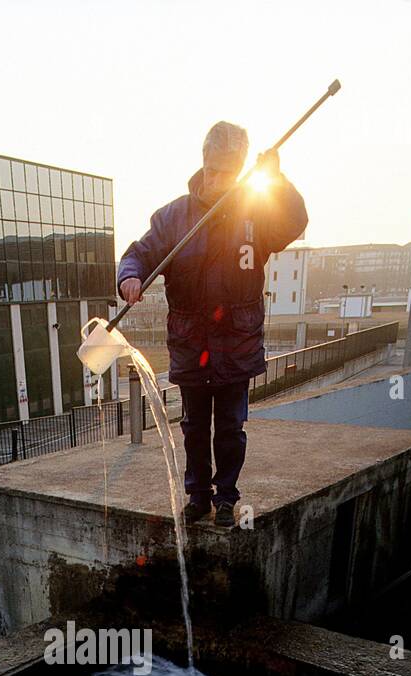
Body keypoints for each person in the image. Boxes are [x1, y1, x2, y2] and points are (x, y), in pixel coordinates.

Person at [117, 122, 308, 529]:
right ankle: (198, 496)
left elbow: (294, 221)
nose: (216, 178)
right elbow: (140, 251)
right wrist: (129, 277)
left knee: (230, 428)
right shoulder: (173, 218)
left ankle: (226, 498)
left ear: (239, 170)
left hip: (236, 344)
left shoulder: (257, 212)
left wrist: (277, 180)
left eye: (226, 170)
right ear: (202, 163)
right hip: (192, 344)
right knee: (193, 427)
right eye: (211, 168)